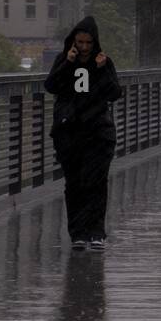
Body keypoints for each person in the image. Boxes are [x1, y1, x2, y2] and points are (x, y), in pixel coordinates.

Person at [45, 16, 123, 250]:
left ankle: (96, 232)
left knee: (96, 183)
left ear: (95, 42)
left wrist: (101, 70)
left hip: (98, 133)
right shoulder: (63, 60)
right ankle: (78, 233)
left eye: (88, 42)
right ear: (73, 42)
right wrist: (67, 64)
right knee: (75, 183)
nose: (85, 47)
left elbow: (115, 93)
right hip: (69, 133)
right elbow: (51, 86)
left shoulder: (104, 63)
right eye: (80, 42)